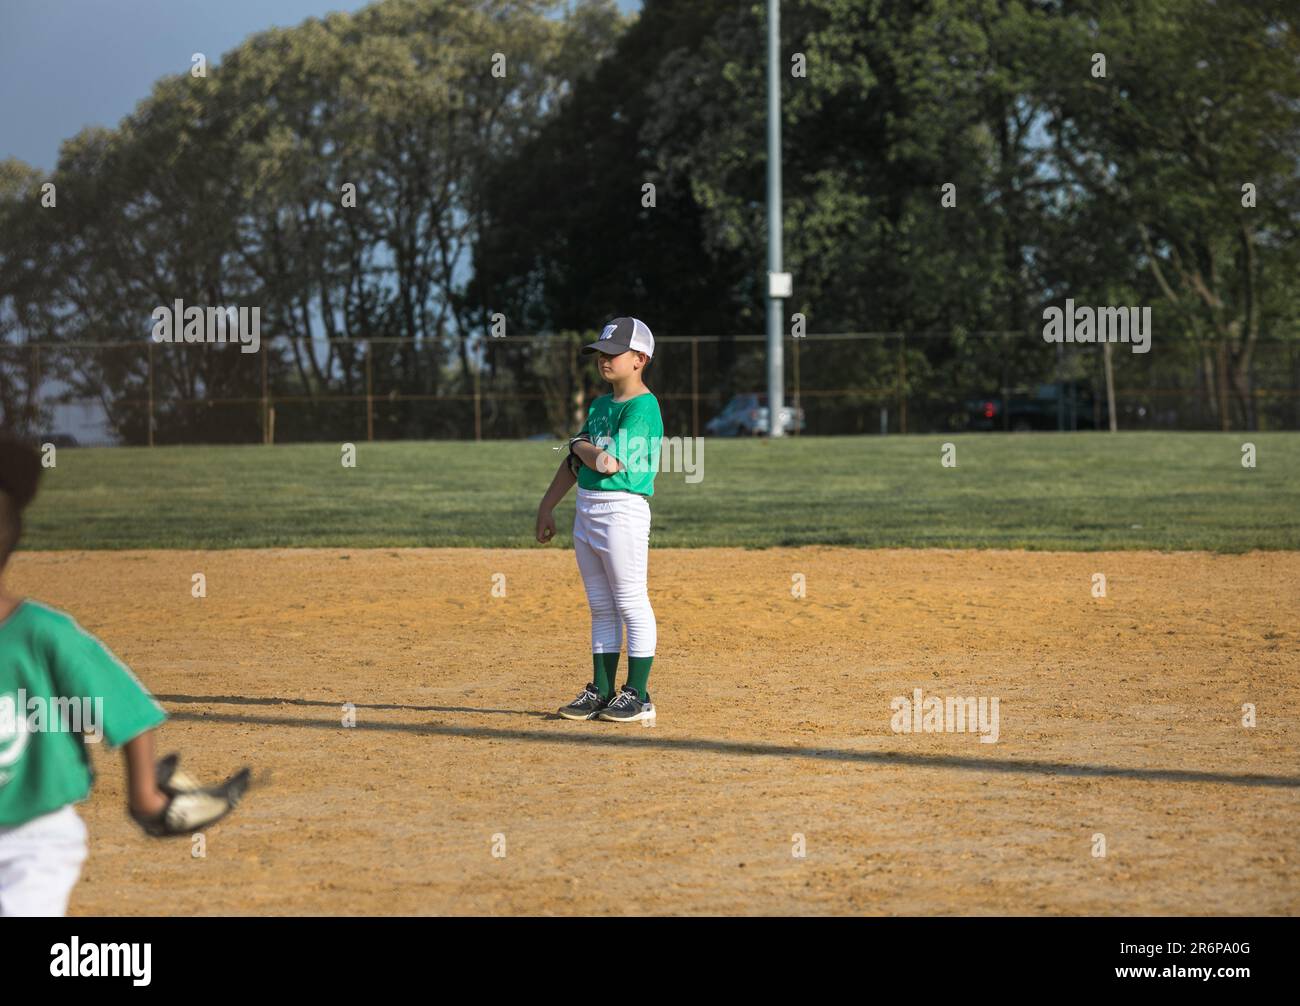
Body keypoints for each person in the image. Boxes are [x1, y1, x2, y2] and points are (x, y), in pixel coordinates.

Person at [0, 436, 248, 916]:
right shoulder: (48, 632)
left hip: (32, 845)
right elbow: (129, 711)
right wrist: (146, 799)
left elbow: (125, 711)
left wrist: (145, 795)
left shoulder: (41, 634)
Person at [535, 318, 664, 723]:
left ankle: (639, 696)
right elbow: (579, 461)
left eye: (614, 353)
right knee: (601, 606)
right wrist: (547, 506)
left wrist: (580, 443)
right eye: (601, 353)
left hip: (622, 510)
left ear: (640, 359)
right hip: (587, 510)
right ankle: (602, 690)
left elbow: (607, 463)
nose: (604, 360)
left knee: (629, 601)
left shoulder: (643, 407)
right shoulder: (600, 406)